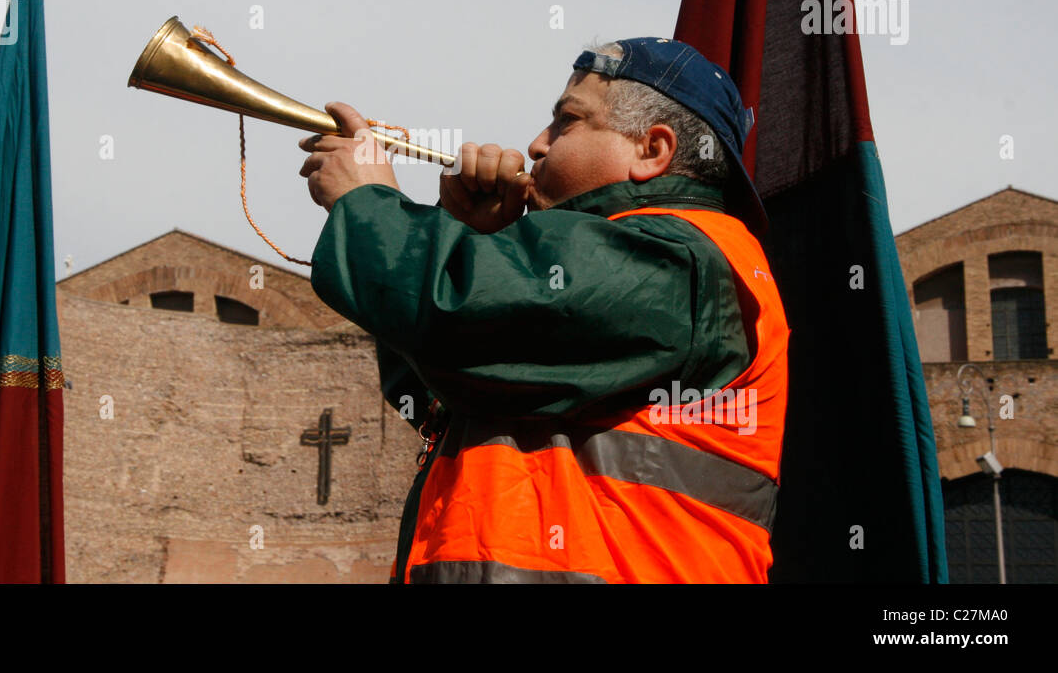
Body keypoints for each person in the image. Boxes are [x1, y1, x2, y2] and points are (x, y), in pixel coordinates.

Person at [297, 37, 789, 583]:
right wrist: (467, 233)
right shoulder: (616, 254)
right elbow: (437, 391)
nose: (536, 145)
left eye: (567, 122)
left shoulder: (679, 257)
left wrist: (366, 202)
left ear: (652, 150)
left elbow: (454, 318)